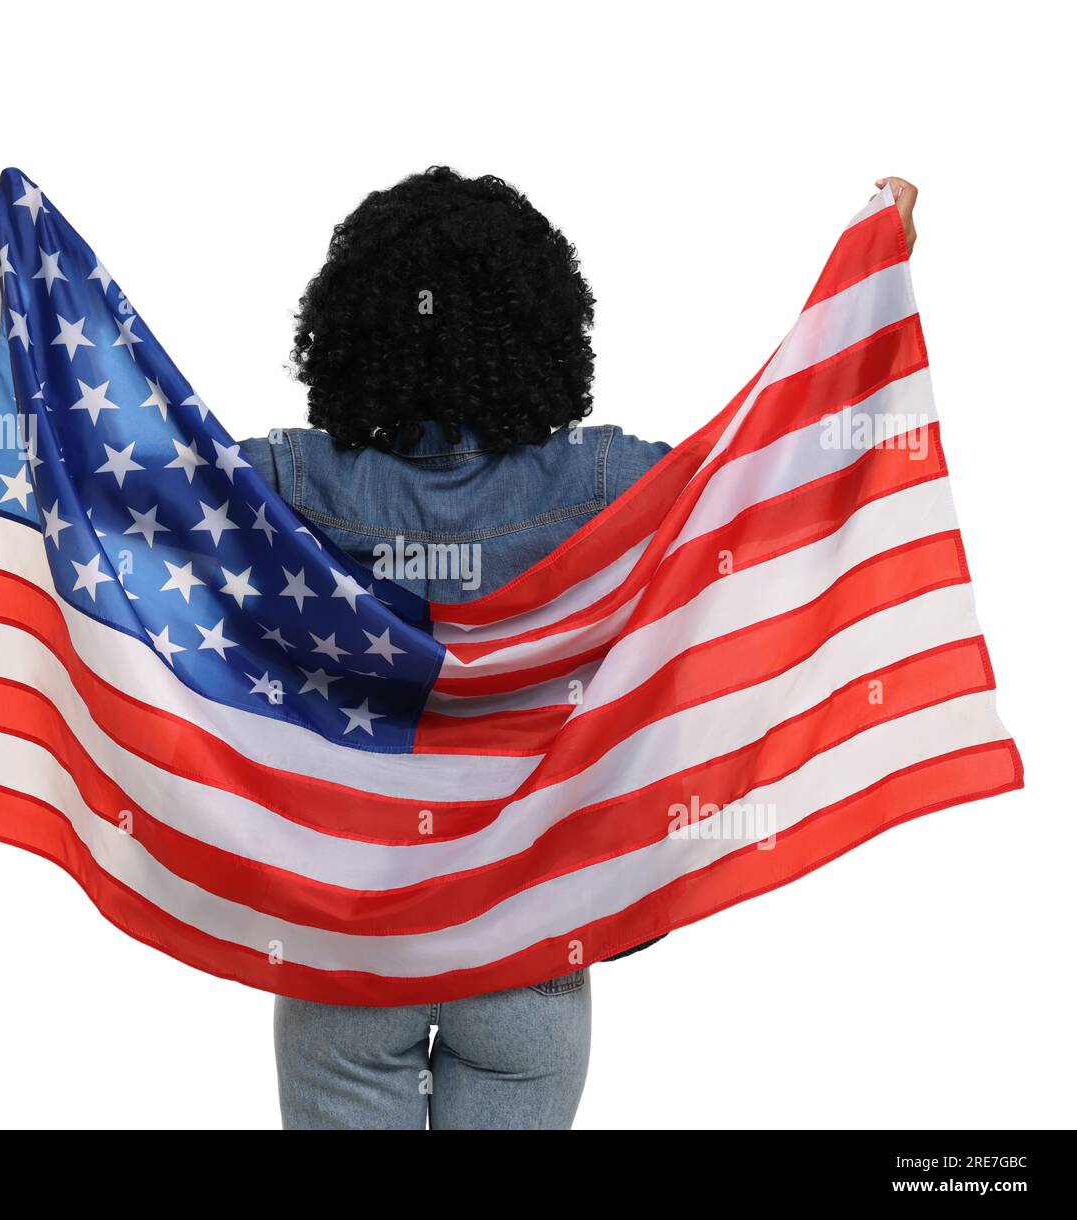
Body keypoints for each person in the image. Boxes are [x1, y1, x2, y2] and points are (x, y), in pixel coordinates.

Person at [239, 169, 919, 1131]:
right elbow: (784, 461)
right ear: (544, 321)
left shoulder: (292, 480)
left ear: (353, 323)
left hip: (351, 957)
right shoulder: (607, 481)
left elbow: (128, 474)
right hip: (533, 956)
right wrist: (873, 280)